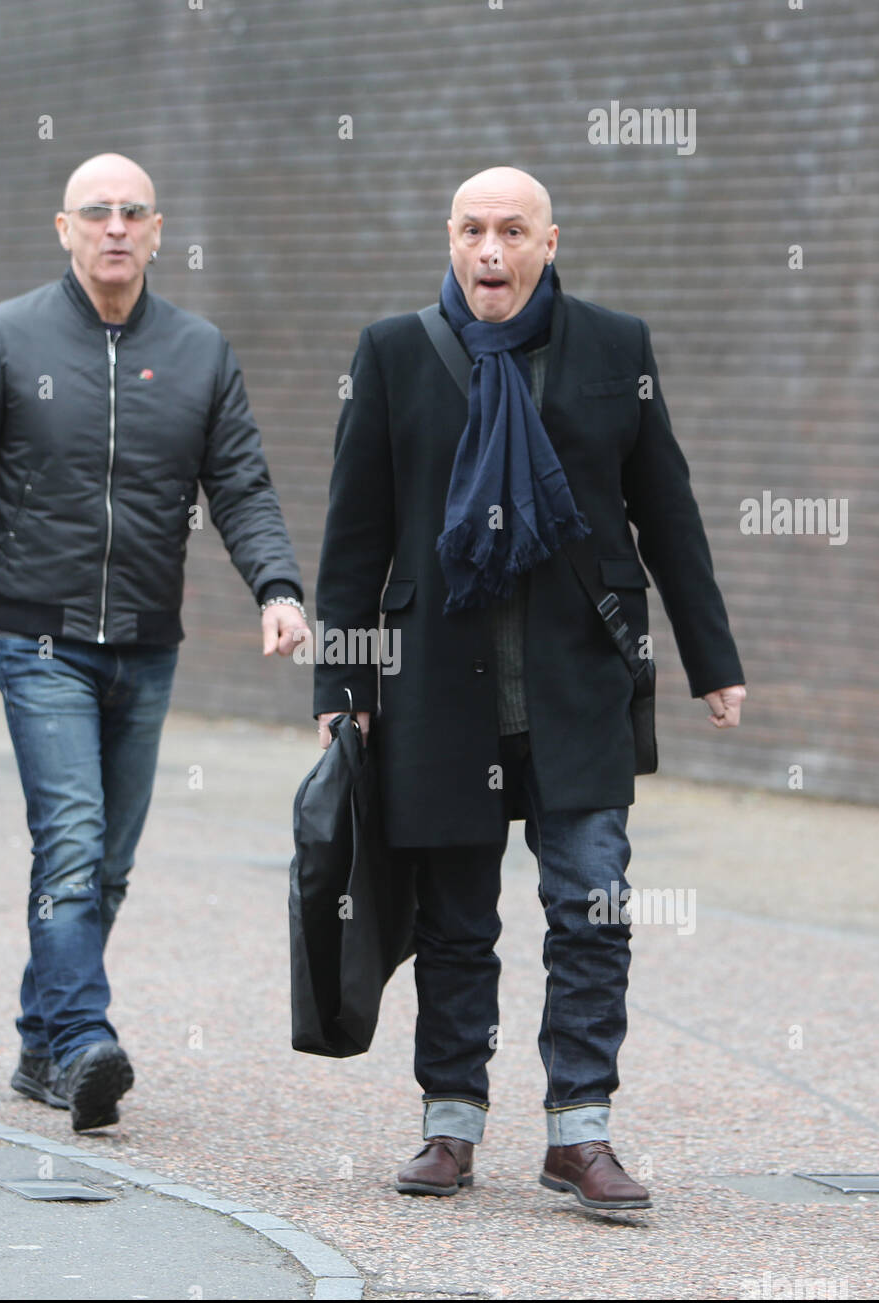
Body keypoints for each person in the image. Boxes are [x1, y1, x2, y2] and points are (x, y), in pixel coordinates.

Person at [313, 166, 745, 1209]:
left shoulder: (614, 347)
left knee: (592, 906)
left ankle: (578, 1132)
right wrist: (343, 675)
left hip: (578, 680)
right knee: (455, 922)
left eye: (512, 230)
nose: (490, 250)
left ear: (551, 242)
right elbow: (354, 530)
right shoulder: (393, 352)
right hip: (435, 688)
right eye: (471, 229)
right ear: (449, 239)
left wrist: (711, 658)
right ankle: (449, 1125)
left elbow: (666, 511)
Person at [0, 153, 309, 1132]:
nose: (116, 227)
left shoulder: (201, 351)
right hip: (41, 640)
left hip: (146, 641)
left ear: (158, 230)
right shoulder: (5, 339)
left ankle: (42, 1043)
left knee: (108, 860)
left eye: (133, 212)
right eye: (97, 212)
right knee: (74, 839)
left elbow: (242, 486)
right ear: (65, 228)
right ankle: (85, 1038)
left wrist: (278, 587)